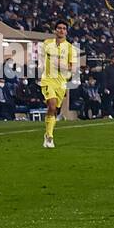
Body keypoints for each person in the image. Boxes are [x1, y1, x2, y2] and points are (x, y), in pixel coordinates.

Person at [39, 20, 77, 149]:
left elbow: (73, 68)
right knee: (52, 104)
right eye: (59, 28)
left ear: (66, 31)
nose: (61, 30)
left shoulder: (70, 48)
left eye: (64, 28)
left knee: (54, 109)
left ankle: (47, 133)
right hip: (47, 80)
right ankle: (50, 136)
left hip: (61, 83)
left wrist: (62, 65)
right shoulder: (47, 43)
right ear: (55, 30)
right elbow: (40, 57)